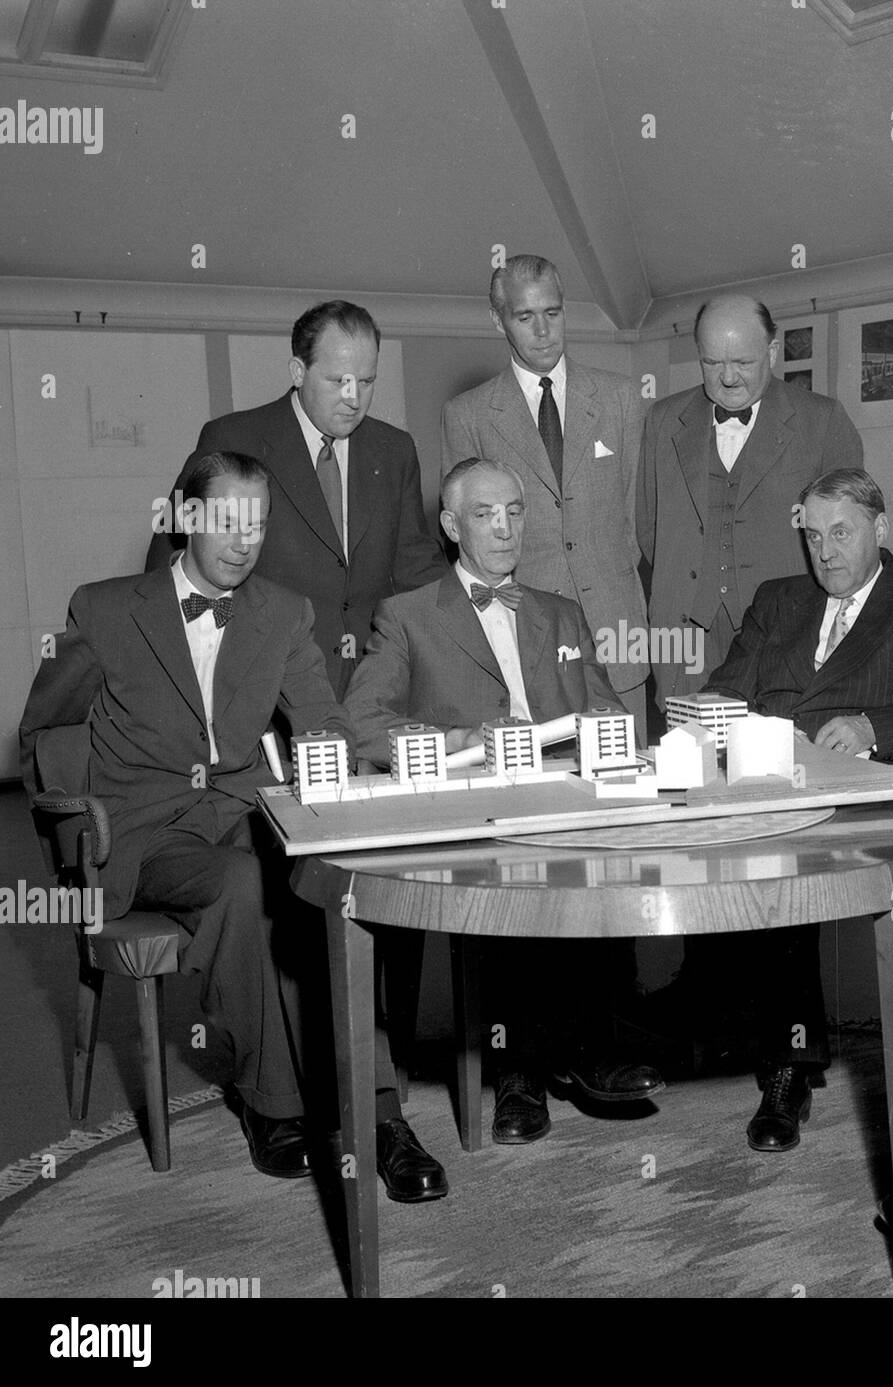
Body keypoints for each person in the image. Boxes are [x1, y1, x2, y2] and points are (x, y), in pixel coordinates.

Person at [21, 452, 447, 1202]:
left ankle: (380, 1118)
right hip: (148, 829)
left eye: (256, 524)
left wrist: (338, 769)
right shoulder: (106, 607)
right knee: (247, 883)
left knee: (329, 888)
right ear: (185, 516)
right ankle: (276, 1106)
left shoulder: (280, 610)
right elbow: (45, 730)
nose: (244, 540)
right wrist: (73, 840)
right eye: (225, 520)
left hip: (253, 809)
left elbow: (323, 722)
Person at [345, 456, 665, 1144]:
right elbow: (362, 720)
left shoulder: (561, 614)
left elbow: (610, 715)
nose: (504, 528)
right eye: (486, 514)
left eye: (515, 512)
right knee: (514, 874)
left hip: (561, 794)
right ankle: (522, 1069)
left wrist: (617, 750)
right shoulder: (408, 615)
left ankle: (586, 1048)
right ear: (452, 525)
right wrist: (457, 735)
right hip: (472, 804)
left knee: (603, 854)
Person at [673, 468, 893, 1151]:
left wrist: (874, 725)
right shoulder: (777, 600)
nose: (826, 552)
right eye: (813, 536)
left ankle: (799, 1065)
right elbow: (726, 693)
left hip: (878, 794)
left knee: (791, 878)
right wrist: (706, 733)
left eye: (841, 533)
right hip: (772, 785)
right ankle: (773, 1055)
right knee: (735, 862)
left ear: (881, 528)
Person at [147, 300, 445, 697]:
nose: (354, 399)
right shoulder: (233, 438)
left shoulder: (395, 450)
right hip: (265, 687)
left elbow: (415, 566)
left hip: (373, 688)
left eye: (367, 381)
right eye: (338, 381)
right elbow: (167, 559)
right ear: (298, 371)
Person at [441, 254, 650, 730]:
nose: (543, 331)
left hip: (617, 639)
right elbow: (467, 538)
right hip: (521, 639)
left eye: (552, 313)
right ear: (499, 320)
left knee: (629, 782)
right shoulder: (468, 414)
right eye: (524, 317)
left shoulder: (620, 398)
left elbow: (638, 517)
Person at [637, 294, 863, 706]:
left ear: (773, 353)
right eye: (711, 363)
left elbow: (851, 538)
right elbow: (648, 531)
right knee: (688, 758)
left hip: (785, 634)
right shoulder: (663, 420)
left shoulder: (823, 419)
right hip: (685, 637)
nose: (727, 378)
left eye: (742, 363)